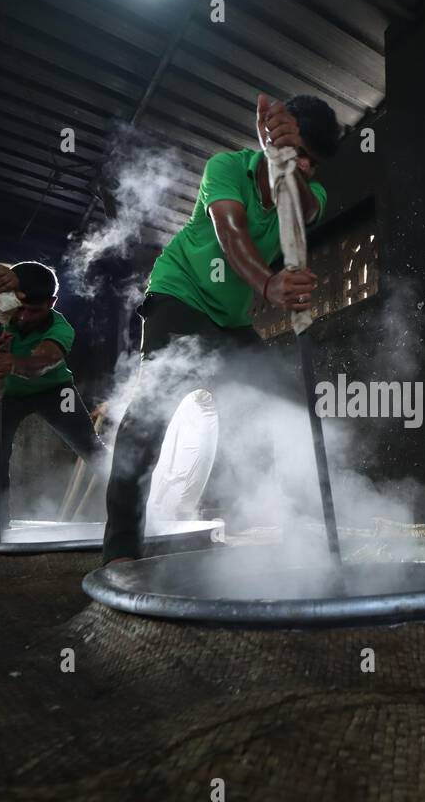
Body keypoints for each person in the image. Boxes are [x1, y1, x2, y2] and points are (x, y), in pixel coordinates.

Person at [102, 93, 339, 563]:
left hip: (230, 321)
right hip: (179, 296)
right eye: (302, 155)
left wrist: (292, 168)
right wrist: (270, 284)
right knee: (148, 418)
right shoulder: (226, 167)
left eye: (314, 162)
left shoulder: (310, 193)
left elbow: (307, 209)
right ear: (271, 142)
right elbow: (232, 236)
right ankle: (121, 553)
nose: (308, 168)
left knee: (293, 403)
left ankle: (301, 533)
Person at [0, 261, 106, 541]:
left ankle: (134, 508)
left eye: (35, 310)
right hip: (2, 393)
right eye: (21, 307)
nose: (26, 317)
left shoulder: (60, 327)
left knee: (91, 448)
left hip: (55, 392)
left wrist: (14, 363)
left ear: (52, 302)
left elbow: (45, 359)